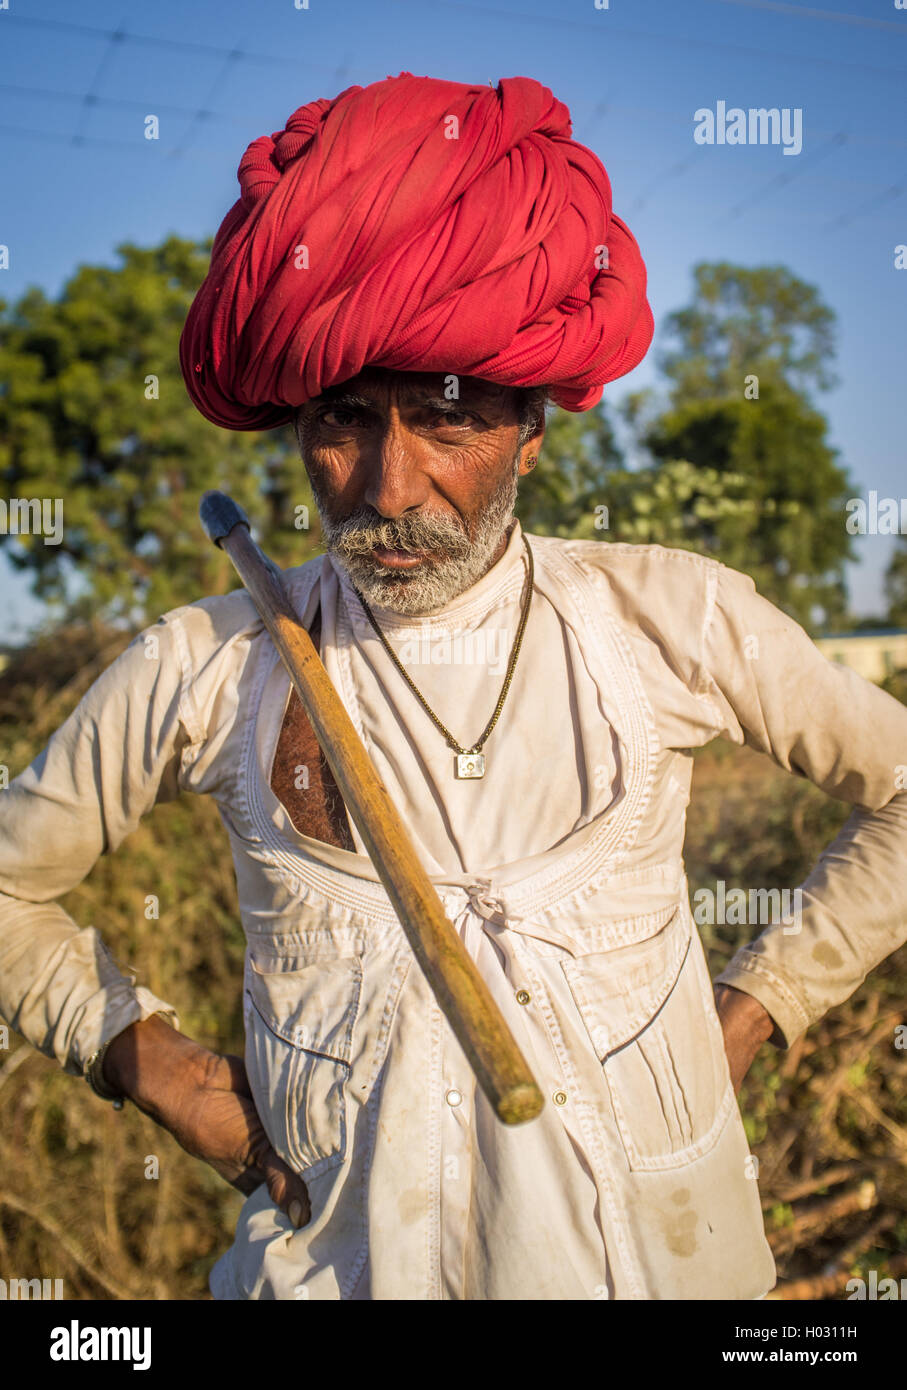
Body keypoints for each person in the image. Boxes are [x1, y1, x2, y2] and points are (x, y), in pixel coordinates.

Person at [2, 73, 906, 1301]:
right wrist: (151, 1060)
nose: (387, 487)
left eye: (450, 422)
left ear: (531, 427)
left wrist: (756, 1005)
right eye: (342, 422)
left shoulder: (673, 621)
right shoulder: (208, 667)